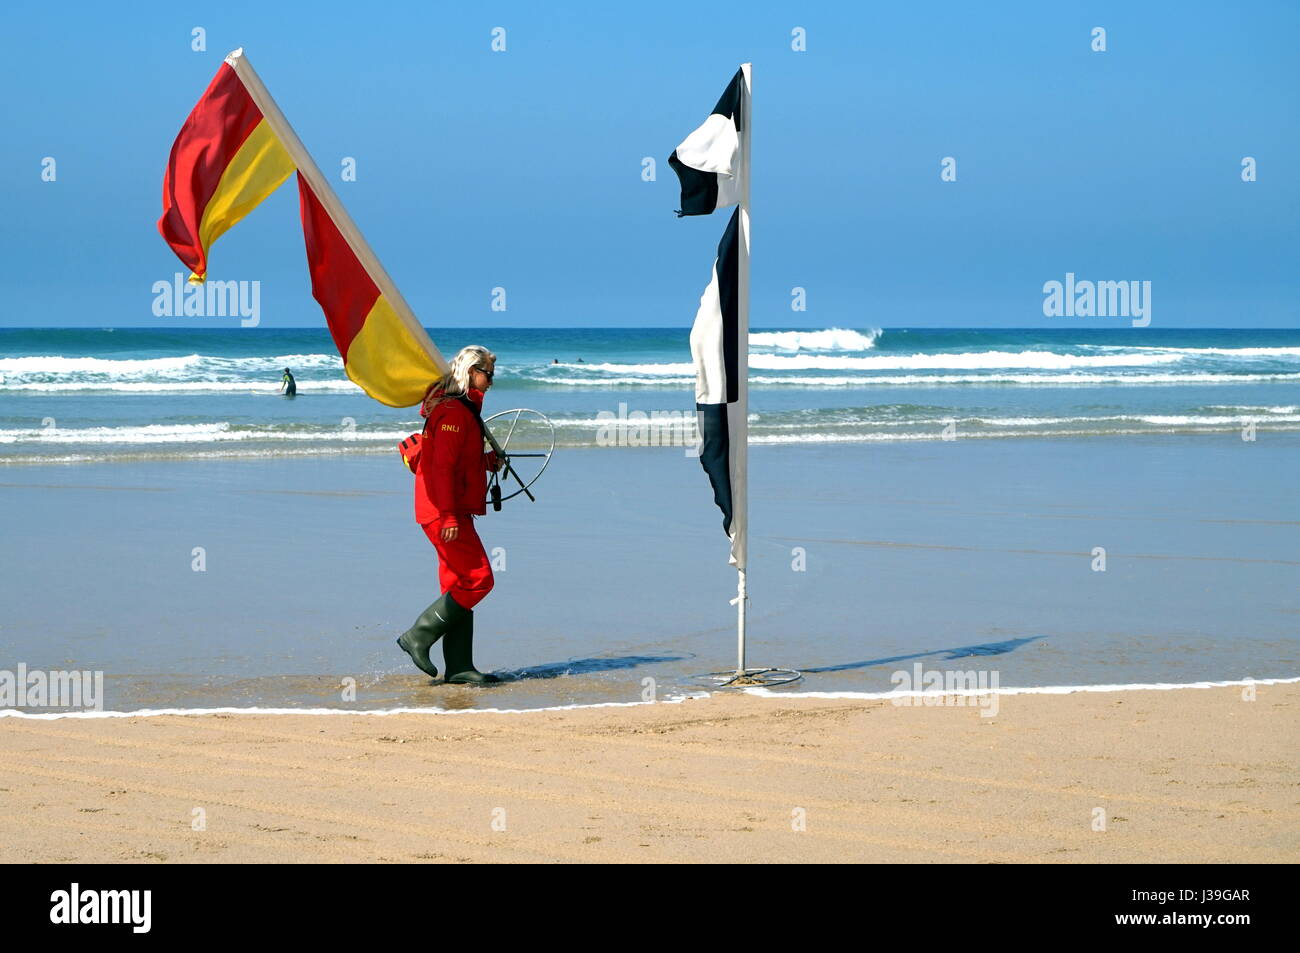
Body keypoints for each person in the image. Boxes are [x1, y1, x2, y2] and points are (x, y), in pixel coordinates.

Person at [397, 345, 503, 685]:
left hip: (448, 510)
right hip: (444, 512)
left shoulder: (463, 411)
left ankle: (458, 668)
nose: (490, 381)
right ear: (471, 372)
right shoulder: (455, 414)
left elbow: (457, 464)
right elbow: (440, 470)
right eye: (487, 373)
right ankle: (418, 636)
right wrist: (449, 517)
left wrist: (487, 462)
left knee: (458, 585)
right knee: (479, 580)